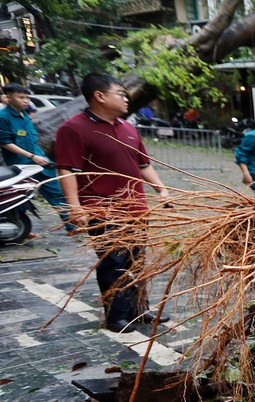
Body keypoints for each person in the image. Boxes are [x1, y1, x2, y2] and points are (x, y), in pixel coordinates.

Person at [55, 73, 172, 333]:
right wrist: (75, 207)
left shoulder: (128, 127)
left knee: (138, 261)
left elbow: (143, 165)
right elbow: (67, 170)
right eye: (120, 93)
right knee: (113, 263)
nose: (126, 98)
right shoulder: (73, 129)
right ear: (100, 96)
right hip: (103, 210)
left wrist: (161, 189)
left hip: (136, 209)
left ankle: (140, 310)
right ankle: (116, 316)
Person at [0, 83, 72, 231]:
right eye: (21, 97)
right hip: (21, 165)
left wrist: (38, 156)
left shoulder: (24, 114)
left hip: (40, 161)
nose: (26, 101)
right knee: (20, 198)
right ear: (8, 98)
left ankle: (71, 225)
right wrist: (31, 156)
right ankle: (19, 229)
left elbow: (30, 138)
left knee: (56, 192)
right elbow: (5, 143)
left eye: (27, 97)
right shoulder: (3, 117)